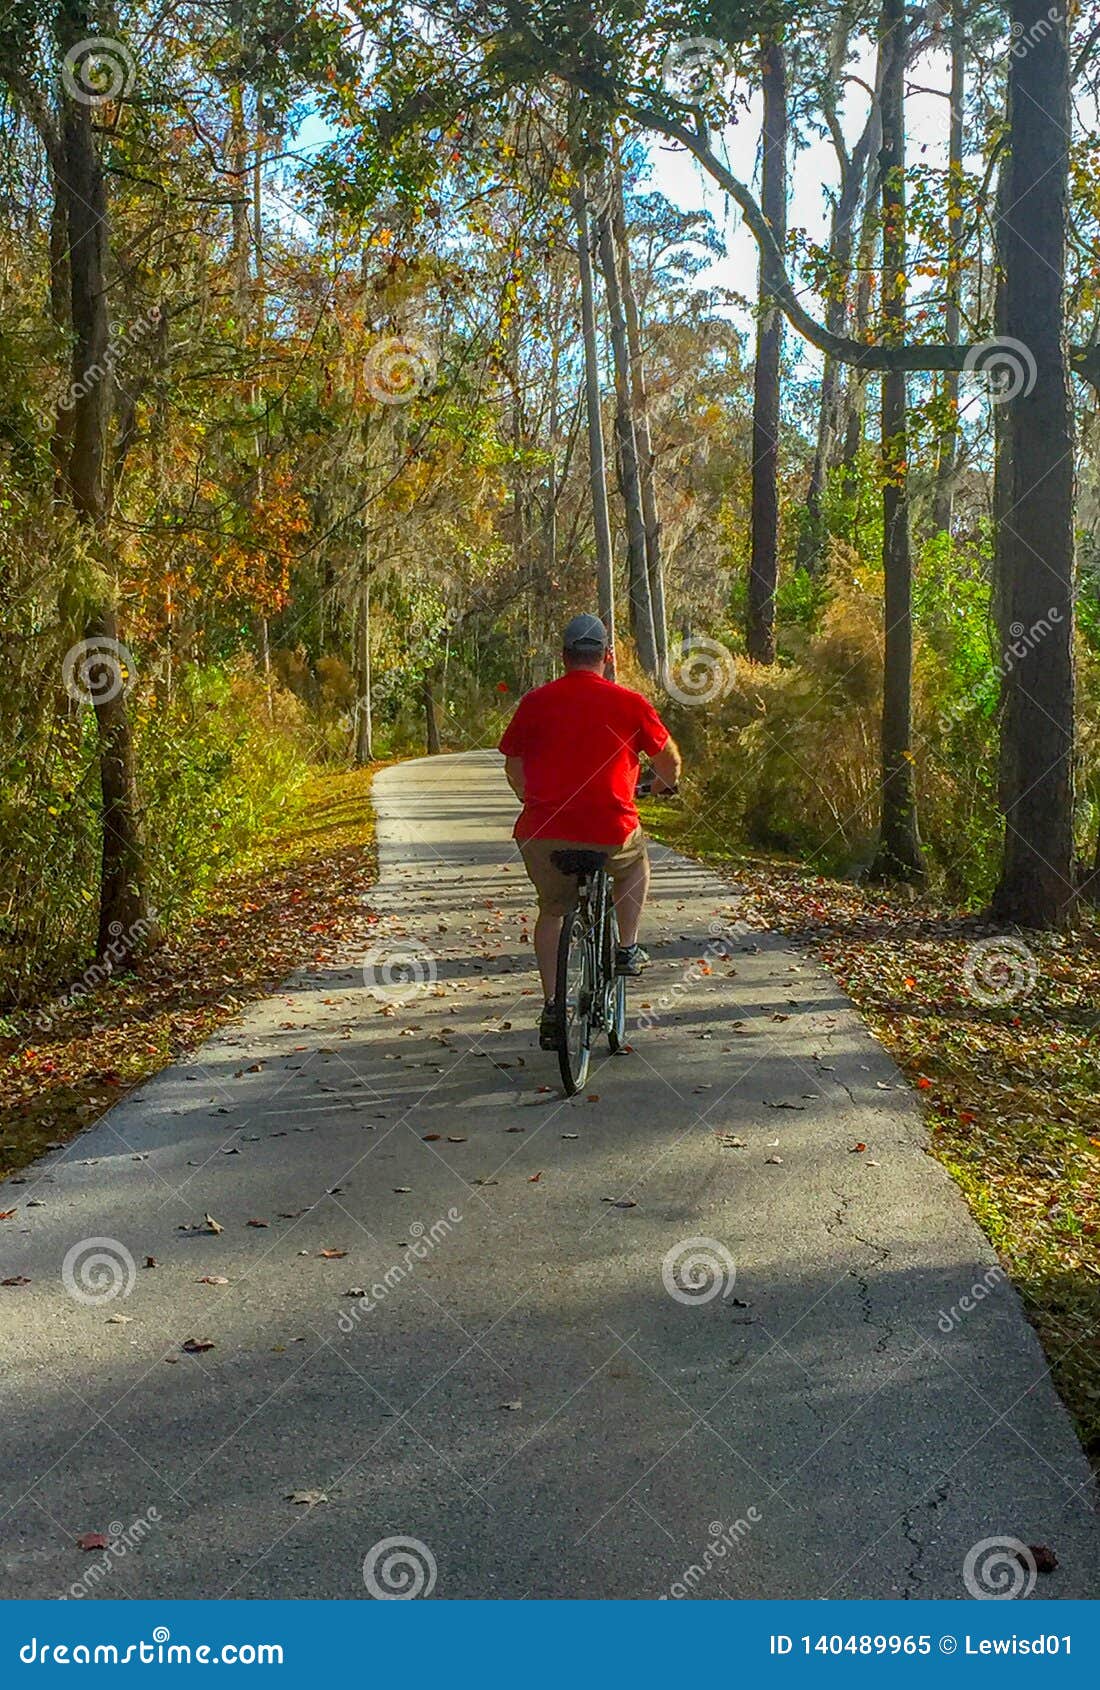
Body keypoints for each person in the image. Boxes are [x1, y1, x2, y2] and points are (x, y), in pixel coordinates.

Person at [498, 613, 682, 1047]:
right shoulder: (630, 703)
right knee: (635, 863)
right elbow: (667, 759)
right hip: (609, 829)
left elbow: (513, 764)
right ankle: (626, 948)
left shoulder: (535, 702)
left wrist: (532, 801)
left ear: (564, 657)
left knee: (553, 910)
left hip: (543, 833)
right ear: (608, 657)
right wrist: (664, 785)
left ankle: (551, 1007)